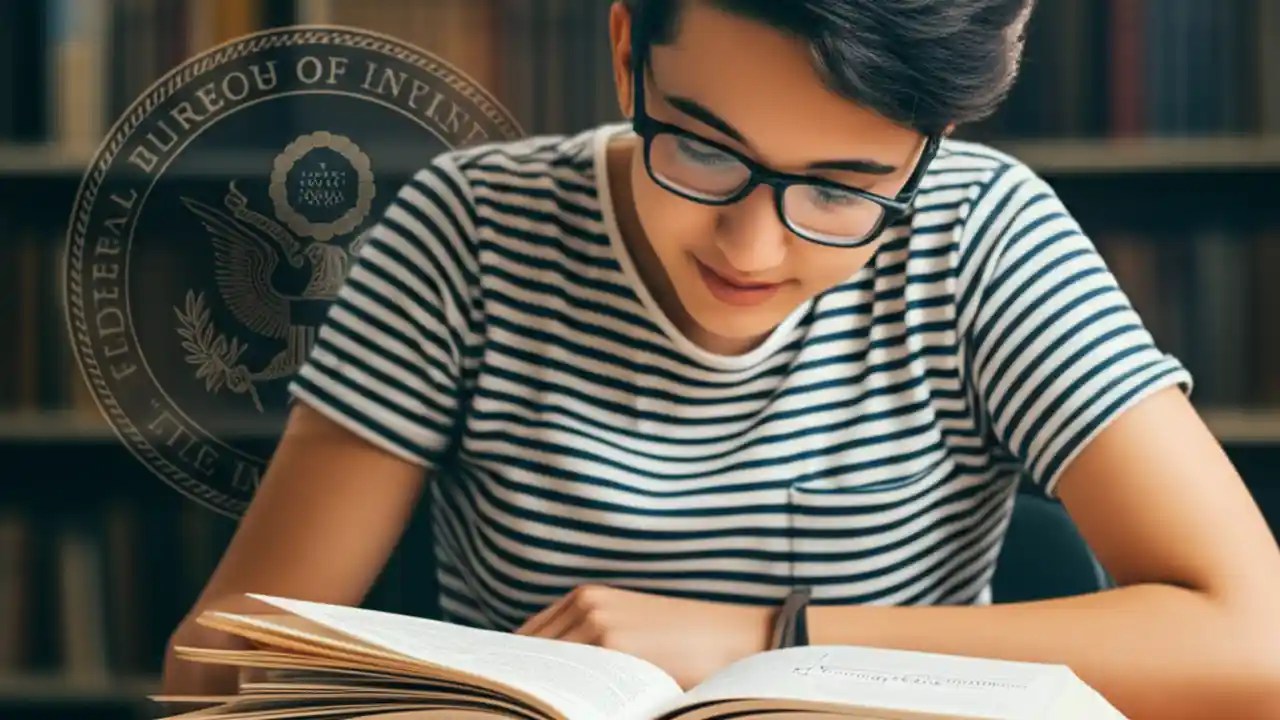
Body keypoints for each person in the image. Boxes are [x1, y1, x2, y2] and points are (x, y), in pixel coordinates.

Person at [162, 1, 1280, 717]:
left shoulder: (980, 234)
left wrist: (762, 641)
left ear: (927, 151)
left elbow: (1254, 642)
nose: (753, 248)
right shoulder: (469, 231)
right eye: (700, 147)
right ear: (623, 52)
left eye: (841, 187)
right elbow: (218, 669)